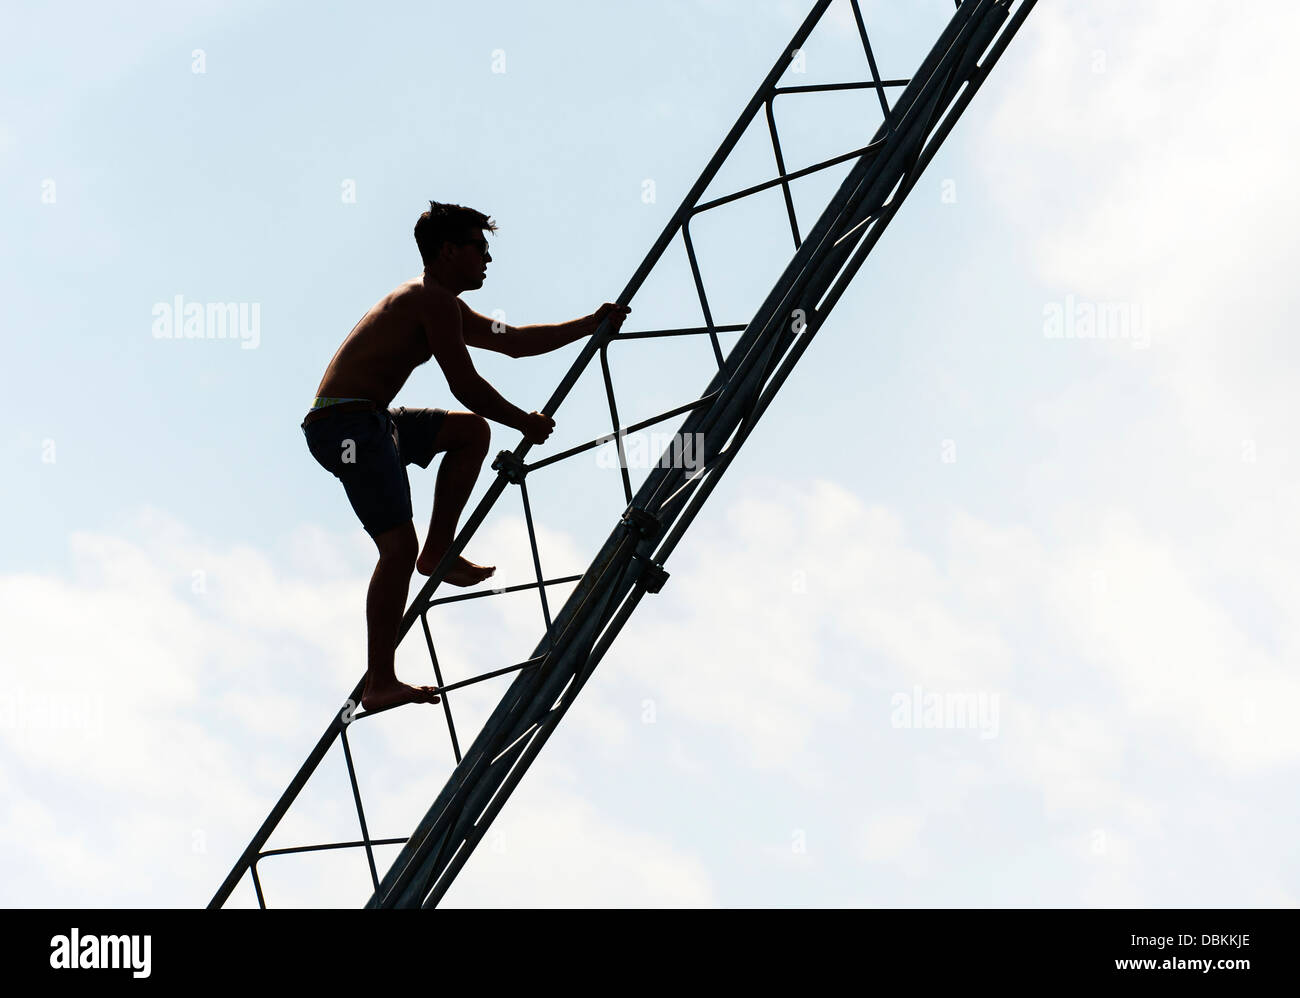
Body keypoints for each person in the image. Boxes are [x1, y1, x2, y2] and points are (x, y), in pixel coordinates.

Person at [301, 200, 630, 711]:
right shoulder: (427, 299)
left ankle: (439, 551)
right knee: (396, 551)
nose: (489, 261)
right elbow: (464, 383)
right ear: (449, 250)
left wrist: (588, 323)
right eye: (481, 249)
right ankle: (379, 682)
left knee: (470, 434)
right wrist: (523, 421)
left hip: (371, 420)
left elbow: (514, 342)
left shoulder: (444, 304)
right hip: (345, 425)